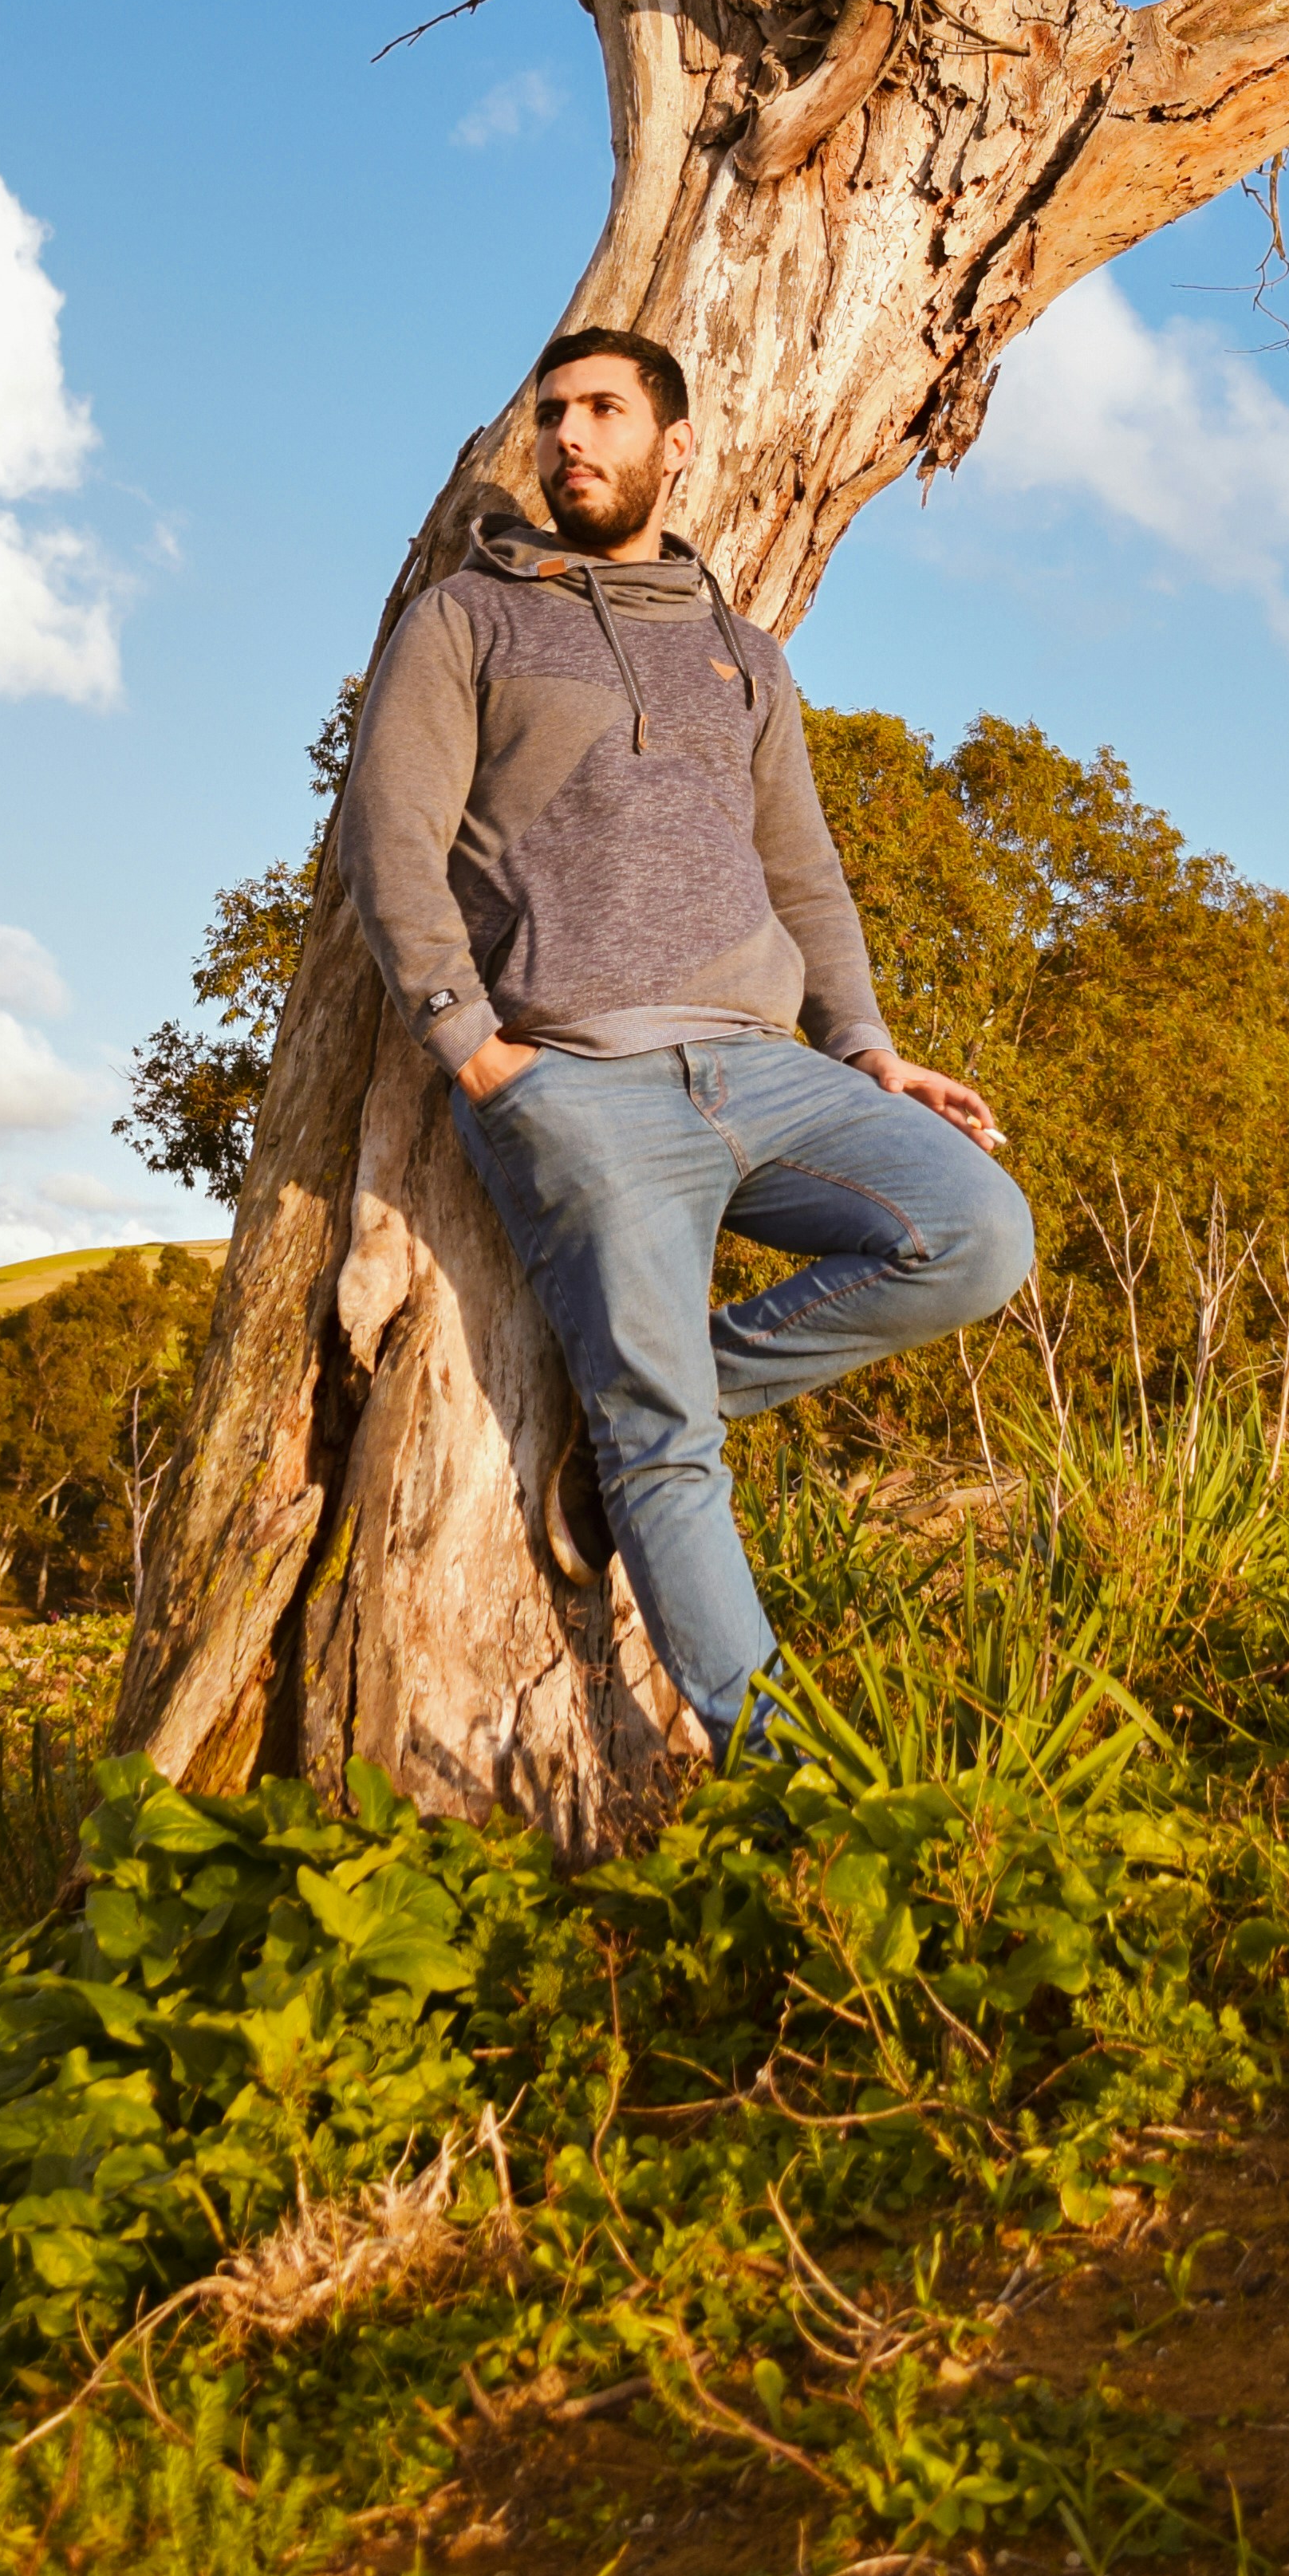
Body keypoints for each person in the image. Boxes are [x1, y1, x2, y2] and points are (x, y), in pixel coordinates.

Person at [337, 323, 1031, 1752]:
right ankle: (790, 1780)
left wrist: (869, 1049)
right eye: (550, 419)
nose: (569, 442)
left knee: (975, 1234)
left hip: (770, 1071)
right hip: (577, 1083)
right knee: (669, 1453)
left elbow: (806, 874)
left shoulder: (742, 655)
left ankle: (650, 1421)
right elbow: (389, 838)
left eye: (601, 412)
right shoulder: (470, 620)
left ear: (677, 442)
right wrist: (477, 1053)